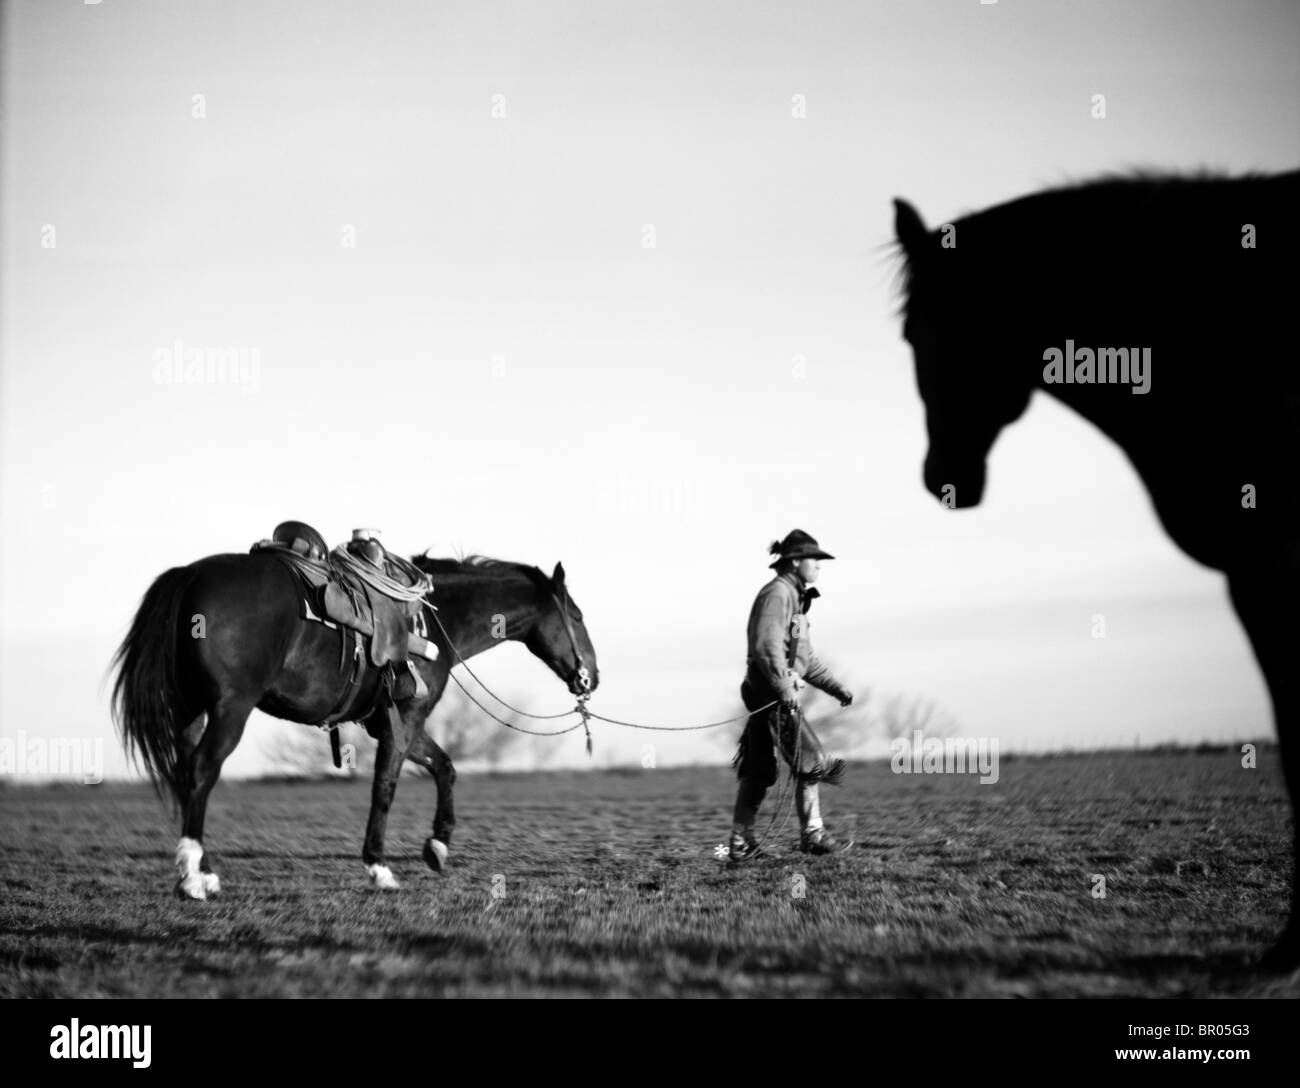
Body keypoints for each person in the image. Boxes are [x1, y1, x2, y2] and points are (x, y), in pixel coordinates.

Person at [729, 529, 854, 862]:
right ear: (795, 561)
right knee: (812, 761)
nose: (818, 566)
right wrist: (785, 688)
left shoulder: (795, 599)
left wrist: (836, 688)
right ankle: (812, 835)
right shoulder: (778, 594)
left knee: (758, 768)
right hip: (771, 691)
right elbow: (766, 646)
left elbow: (804, 658)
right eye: (814, 560)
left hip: (766, 689)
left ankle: (741, 842)